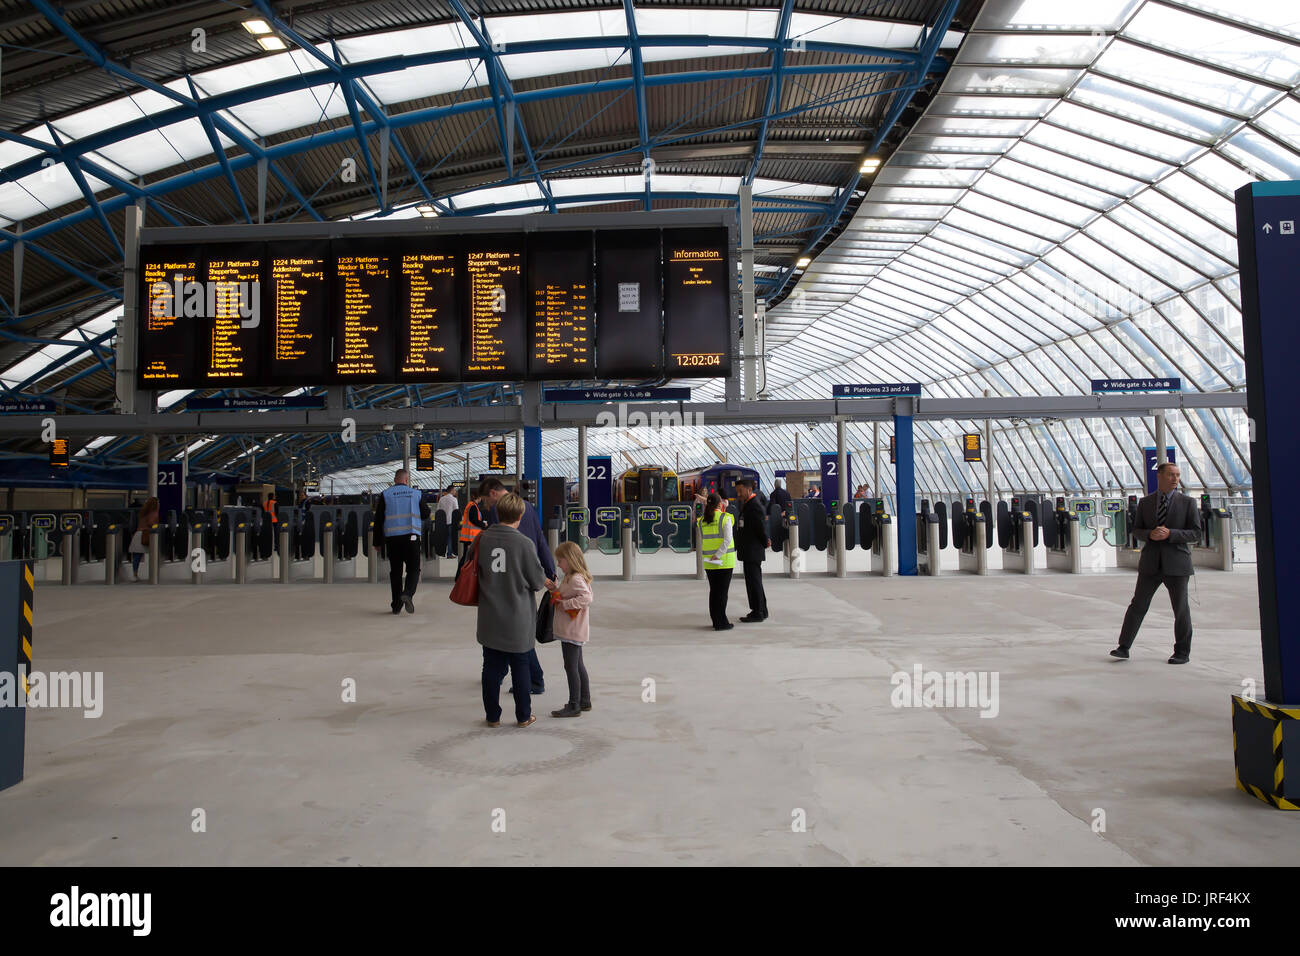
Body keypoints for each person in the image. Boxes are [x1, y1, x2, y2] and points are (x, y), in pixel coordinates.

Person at [1110, 462, 1201, 664]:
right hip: (1150, 563)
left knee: (1181, 609)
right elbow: (1136, 530)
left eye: (1177, 475)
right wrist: (1150, 534)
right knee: (1138, 605)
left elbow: (1195, 533)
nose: (1175, 479)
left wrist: (1171, 534)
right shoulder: (1146, 503)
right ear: (1159, 476)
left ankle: (1182, 652)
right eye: (1171, 475)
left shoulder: (1187, 502)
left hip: (1177, 564)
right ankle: (1123, 647)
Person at [477, 493, 548, 728]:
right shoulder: (524, 543)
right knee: (520, 666)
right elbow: (537, 581)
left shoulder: (482, 539)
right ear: (520, 515)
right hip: (518, 617)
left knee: (490, 667)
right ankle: (523, 716)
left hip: (490, 615)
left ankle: (492, 717)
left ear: (498, 513)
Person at [481, 476, 554, 695]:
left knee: (509, 633)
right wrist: (549, 570)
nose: (486, 505)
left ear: (493, 493)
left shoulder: (499, 511)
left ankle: (526, 678)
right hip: (529, 576)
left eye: (485, 500)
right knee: (519, 632)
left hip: (508, 578)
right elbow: (539, 539)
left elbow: (498, 546)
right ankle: (516, 675)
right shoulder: (527, 506)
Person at [544, 541, 594, 718]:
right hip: (571, 629)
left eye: (560, 560)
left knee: (571, 666)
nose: (558, 564)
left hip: (572, 630)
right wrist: (554, 590)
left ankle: (574, 704)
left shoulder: (575, 578)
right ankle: (584, 700)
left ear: (570, 559)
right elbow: (566, 594)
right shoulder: (569, 577)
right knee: (578, 665)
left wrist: (565, 604)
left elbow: (587, 598)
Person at [372, 468, 429, 615]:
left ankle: (396, 606)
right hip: (412, 538)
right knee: (413, 569)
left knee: (396, 572)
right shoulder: (416, 494)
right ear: (407, 480)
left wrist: (377, 542)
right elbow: (425, 514)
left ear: (394, 479)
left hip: (393, 539)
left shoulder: (385, 494)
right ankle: (408, 593)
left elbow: (378, 520)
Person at [695, 491, 736, 630]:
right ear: (720, 504)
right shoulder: (725, 518)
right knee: (722, 593)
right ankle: (721, 622)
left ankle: (716, 620)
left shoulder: (702, 520)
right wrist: (718, 555)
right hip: (724, 561)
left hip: (709, 562)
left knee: (714, 592)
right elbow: (727, 539)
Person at [734, 478, 769, 623]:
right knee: (755, 581)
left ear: (749, 490)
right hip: (750, 549)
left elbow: (760, 528)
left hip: (752, 550)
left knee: (753, 582)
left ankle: (757, 612)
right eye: (737, 491)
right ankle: (762, 610)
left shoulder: (754, 506)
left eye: (740, 491)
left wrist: (765, 542)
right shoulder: (748, 504)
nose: (738, 494)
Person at [128, 496, 160, 581]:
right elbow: (151, 523)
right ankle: (154, 575)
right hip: (147, 535)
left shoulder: (142, 512)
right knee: (155, 555)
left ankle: (134, 574)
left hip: (138, 535)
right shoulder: (154, 513)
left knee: (137, 557)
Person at [458, 487, 489, 562]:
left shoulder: (471, 505)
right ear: (479, 497)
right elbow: (474, 520)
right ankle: (462, 569)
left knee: (467, 557)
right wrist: (483, 524)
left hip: (470, 536)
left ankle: (462, 569)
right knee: (467, 557)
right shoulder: (473, 507)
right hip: (471, 536)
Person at [436, 486, 459, 558]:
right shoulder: (454, 499)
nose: (455, 491)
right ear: (451, 490)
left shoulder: (441, 499)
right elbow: (456, 511)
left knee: (443, 537)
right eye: (454, 490)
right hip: (450, 521)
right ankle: (449, 554)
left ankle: (442, 552)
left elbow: (438, 510)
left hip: (442, 522)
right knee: (450, 538)